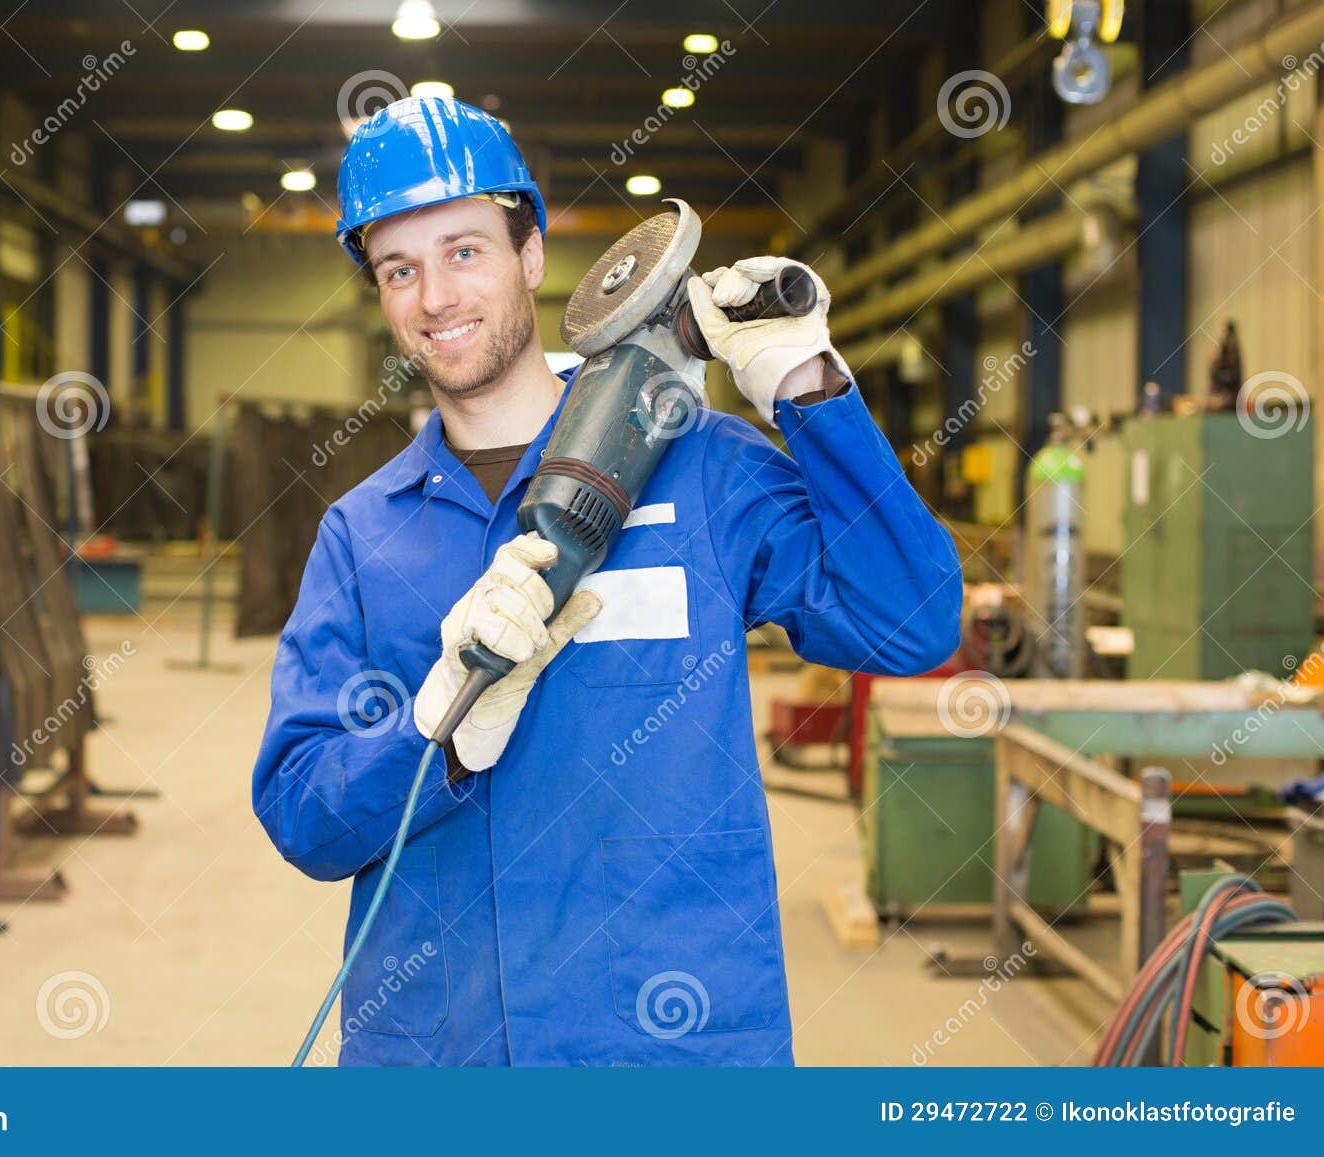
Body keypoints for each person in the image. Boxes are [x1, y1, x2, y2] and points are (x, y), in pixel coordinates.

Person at [253, 97, 962, 1066]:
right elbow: (304, 817)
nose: (433, 296)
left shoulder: (699, 466)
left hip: (666, 1047)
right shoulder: (364, 534)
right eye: (398, 268)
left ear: (532, 254)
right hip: (443, 1051)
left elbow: (910, 625)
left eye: (464, 251)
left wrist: (807, 387)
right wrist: (433, 737)